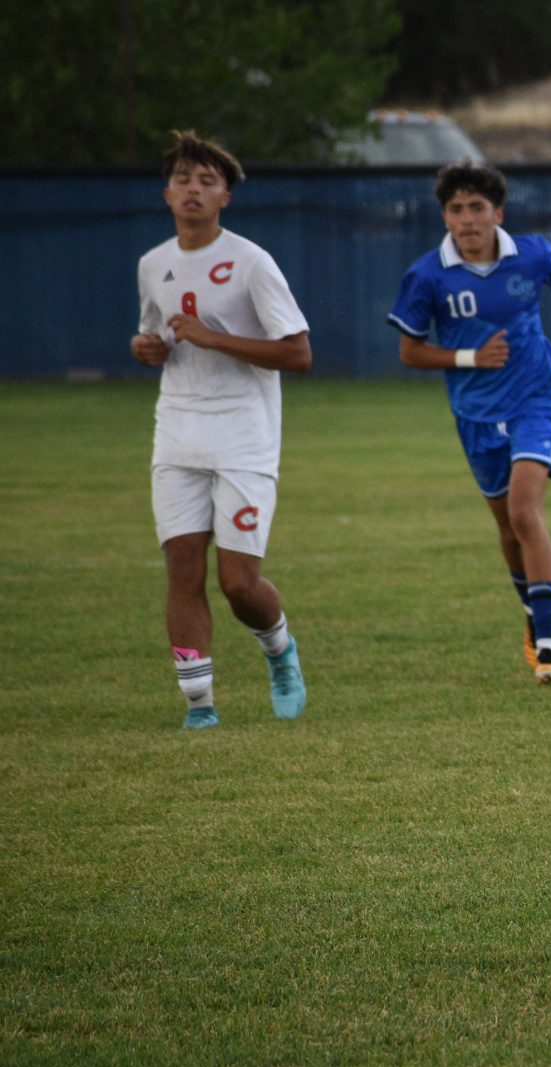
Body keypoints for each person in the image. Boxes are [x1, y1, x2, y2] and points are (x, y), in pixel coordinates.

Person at [131, 130, 312, 730]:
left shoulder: (252, 262)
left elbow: (299, 353)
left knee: (238, 582)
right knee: (183, 571)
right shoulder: (152, 264)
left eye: (207, 181)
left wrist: (214, 337)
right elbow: (159, 333)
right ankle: (199, 707)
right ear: (167, 192)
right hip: (177, 433)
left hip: (244, 436)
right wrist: (148, 348)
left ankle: (280, 653)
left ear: (225, 198)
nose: (193, 189)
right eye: (184, 178)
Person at [387, 162, 551, 684]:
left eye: (477, 207)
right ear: (445, 216)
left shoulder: (533, 254)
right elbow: (410, 352)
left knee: (526, 512)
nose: (467, 219)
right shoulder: (428, 275)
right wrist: (468, 359)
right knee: (506, 527)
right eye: (456, 209)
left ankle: (549, 646)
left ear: (497, 213)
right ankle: (532, 612)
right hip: (476, 414)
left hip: (537, 398)